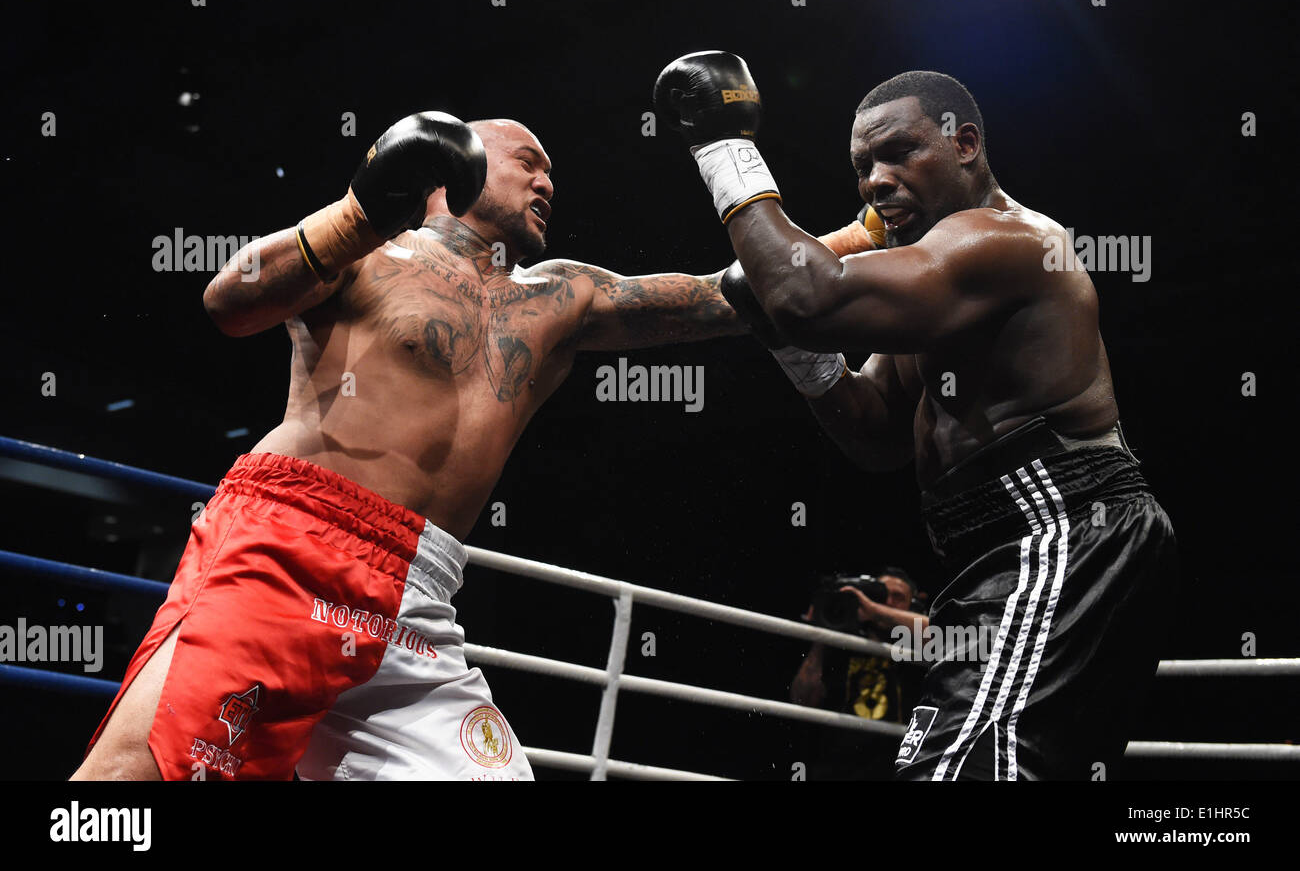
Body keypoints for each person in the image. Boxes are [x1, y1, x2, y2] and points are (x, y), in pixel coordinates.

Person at [73, 113, 764, 781]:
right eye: (527, 163)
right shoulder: (369, 250)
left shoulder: (560, 297)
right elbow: (229, 299)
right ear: (449, 167)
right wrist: (357, 212)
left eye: (551, 174)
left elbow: (726, 296)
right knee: (149, 770)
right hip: (291, 547)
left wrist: (865, 234)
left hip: (418, 593)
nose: (546, 184)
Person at [655, 54, 1179, 780]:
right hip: (996, 549)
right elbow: (873, 432)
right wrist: (786, 343)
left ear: (965, 144)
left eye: (900, 152)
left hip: (1061, 527)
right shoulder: (933, 282)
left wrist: (724, 144)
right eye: (863, 166)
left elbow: (813, 295)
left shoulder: (1008, 241)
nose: (876, 181)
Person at [790, 568, 926, 780]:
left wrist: (875, 610)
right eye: (880, 595)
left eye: (898, 597)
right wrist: (822, 635)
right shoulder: (842, 642)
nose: (888, 602)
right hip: (836, 764)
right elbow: (803, 700)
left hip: (894, 766)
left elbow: (942, 632)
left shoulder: (917, 647)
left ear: (913, 606)